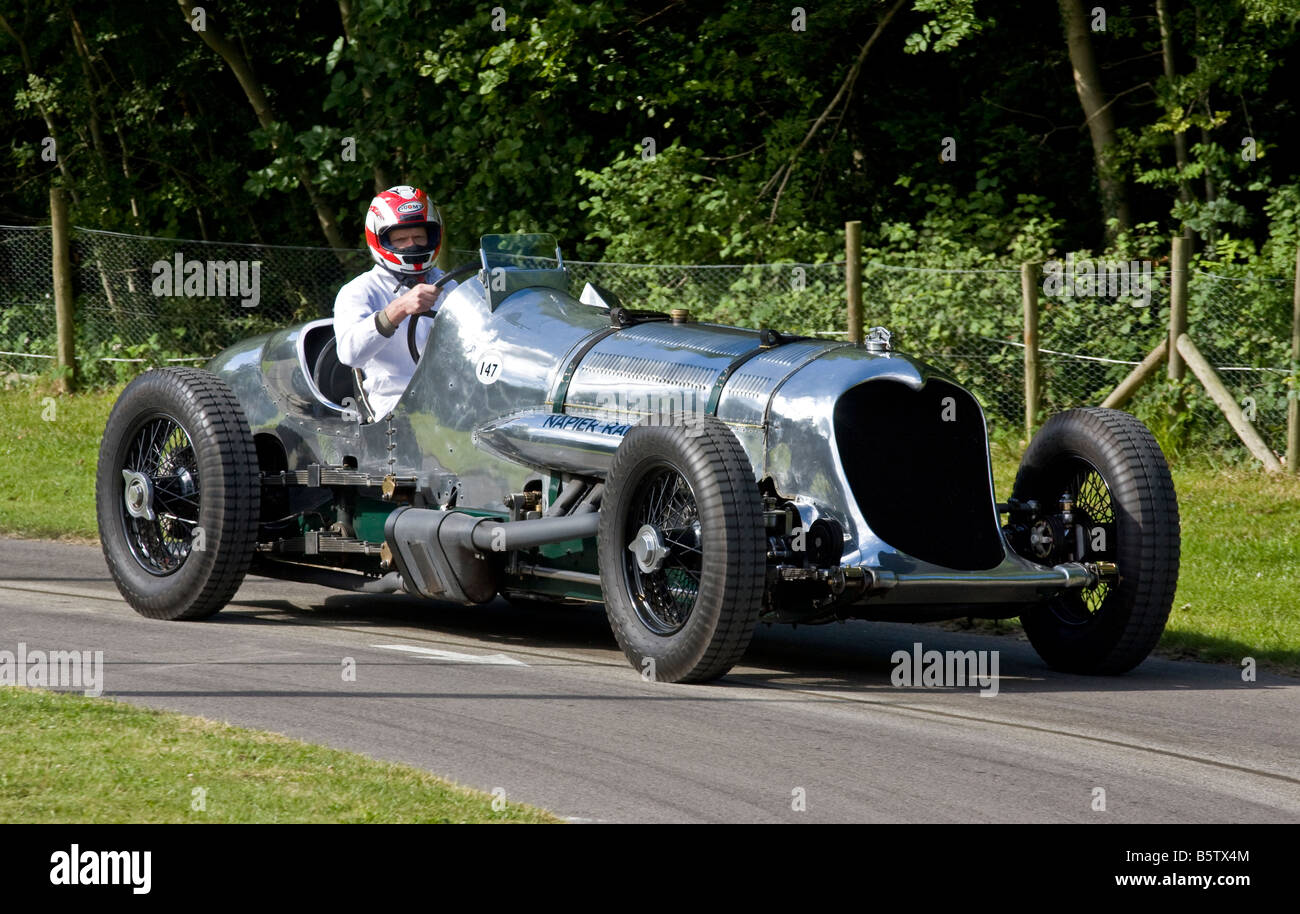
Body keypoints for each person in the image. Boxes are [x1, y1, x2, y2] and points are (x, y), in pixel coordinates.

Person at [333, 185, 458, 418]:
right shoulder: (359, 291)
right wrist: (398, 309)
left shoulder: (448, 284)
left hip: (453, 398)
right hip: (394, 407)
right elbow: (349, 354)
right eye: (401, 239)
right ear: (381, 240)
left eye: (419, 236)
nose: (412, 245)